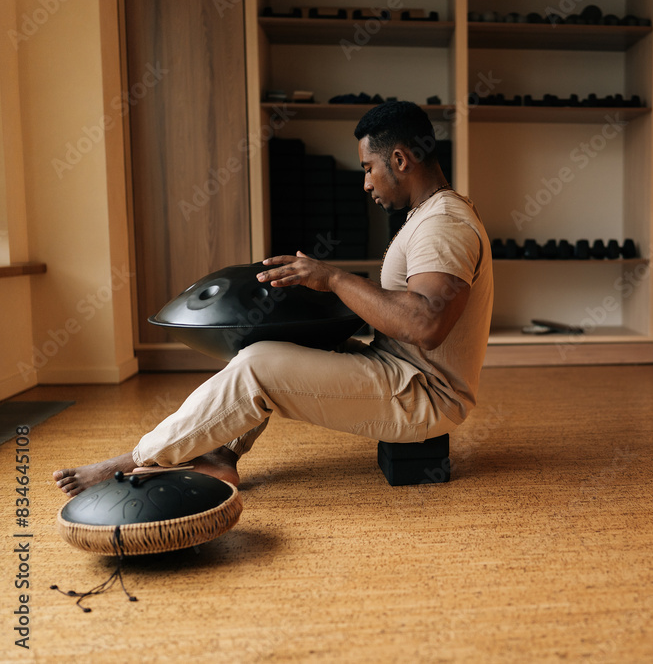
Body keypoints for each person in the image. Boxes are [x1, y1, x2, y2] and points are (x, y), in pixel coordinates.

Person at [54, 101, 494, 496]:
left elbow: (425, 326)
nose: (365, 183)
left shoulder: (444, 225)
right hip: (400, 372)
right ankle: (222, 455)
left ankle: (135, 460)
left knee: (256, 368)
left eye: (367, 168)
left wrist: (335, 280)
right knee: (271, 344)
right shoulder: (428, 215)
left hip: (425, 395)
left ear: (400, 159)